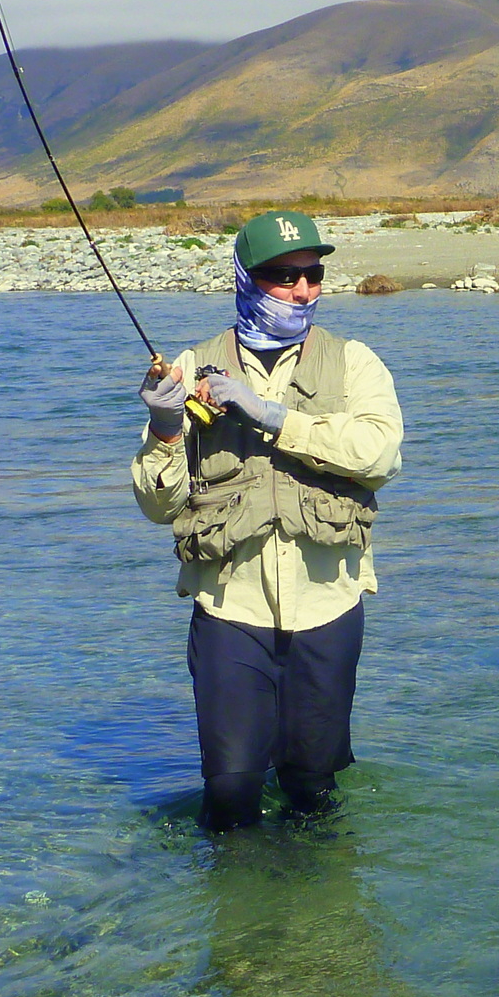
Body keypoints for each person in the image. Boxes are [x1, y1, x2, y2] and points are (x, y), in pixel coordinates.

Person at [131, 210, 404, 832]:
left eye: (313, 274)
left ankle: (319, 922)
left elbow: (381, 456)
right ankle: (239, 921)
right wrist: (165, 430)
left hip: (328, 608)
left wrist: (271, 414)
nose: (302, 290)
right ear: (245, 278)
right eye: (283, 276)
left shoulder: (356, 362)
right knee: (228, 798)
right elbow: (156, 506)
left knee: (313, 789)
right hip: (232, 613)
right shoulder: (190, 365)